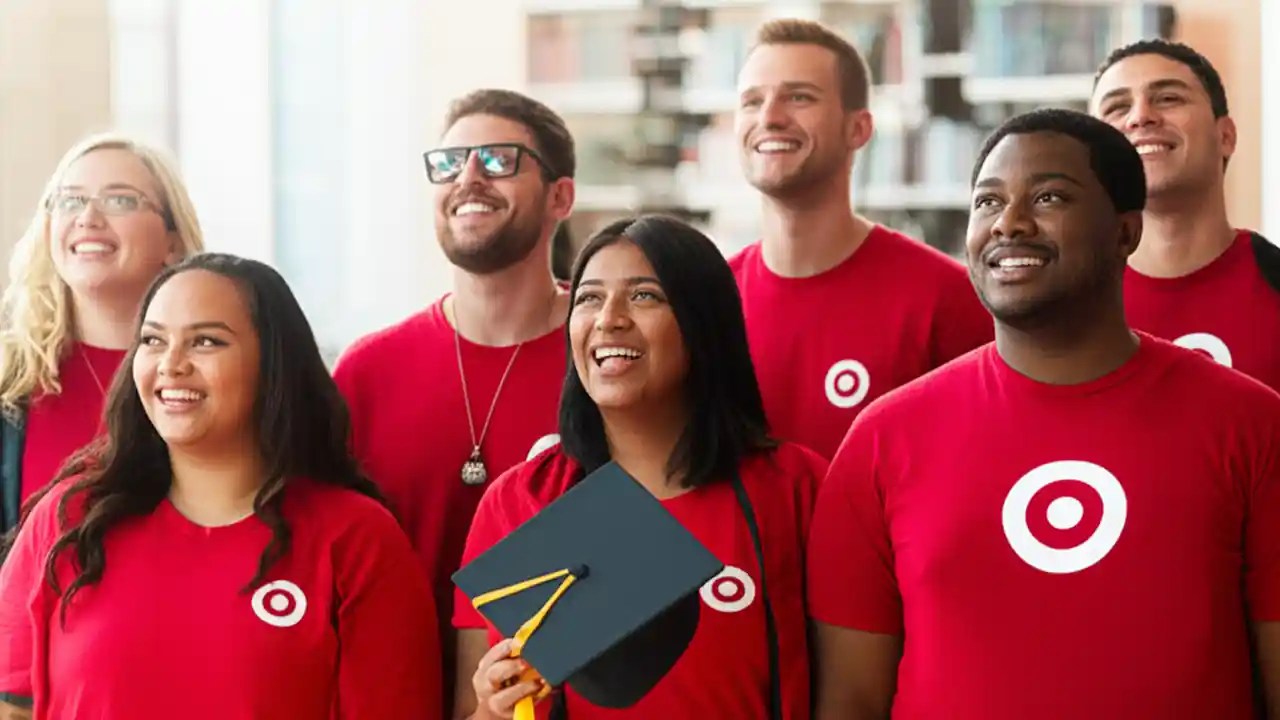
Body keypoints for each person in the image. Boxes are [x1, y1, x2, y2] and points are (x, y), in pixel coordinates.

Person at [806, 108, 1280, 719]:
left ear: (1125, 232)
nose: (1010, 223)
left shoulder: (1249, 424)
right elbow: (850, 699)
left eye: (1049, 196)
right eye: (988, 202)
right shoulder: (882, 440)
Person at [0, 253, 440, 719]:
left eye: (205, 341)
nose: (171, 364)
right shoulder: (69, 519)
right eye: (153, 340)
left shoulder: (358, 540)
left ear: (273, 365)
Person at [453, 215, 826, 720]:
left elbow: (852, 695)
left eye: (644, 296)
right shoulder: (520, 501)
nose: (609, 319)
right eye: (589, 298)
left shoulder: (795, 488)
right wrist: (492, 711)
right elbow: (471, 711)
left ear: (703, 324)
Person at [332, 88, 573, 714]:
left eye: (498, 159)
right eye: (449, 163)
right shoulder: (366, 372)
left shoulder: (608, 355)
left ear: (560, 197)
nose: (468, 177)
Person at [728, 18, 992, 459]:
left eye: (799, 97)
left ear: (859, 129)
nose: (770, 117)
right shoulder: (705, 302)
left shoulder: (945, 299)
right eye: (752, 101)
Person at [0, 133, 205, 532]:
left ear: (173, 241)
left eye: (120, 200)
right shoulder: (9, 378)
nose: (88, 218)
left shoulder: (223, 374)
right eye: (71, 200)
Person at [1091, 39, 1280, 391]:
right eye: (1117, 107)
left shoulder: (1273, 286)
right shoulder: (1062, 304)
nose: (1140, 116)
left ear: (1225, 136)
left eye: (1168, 98)